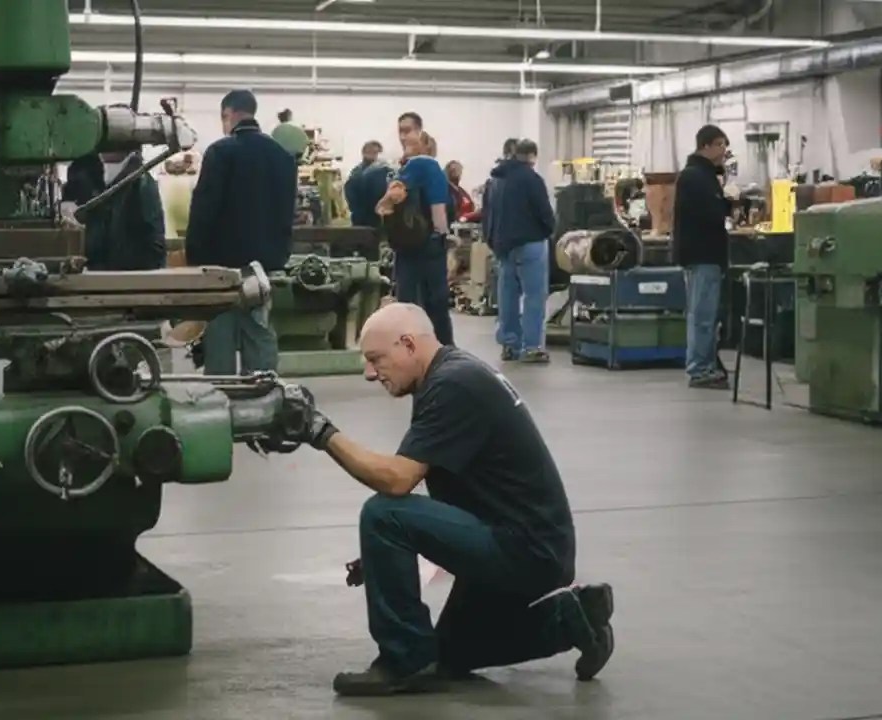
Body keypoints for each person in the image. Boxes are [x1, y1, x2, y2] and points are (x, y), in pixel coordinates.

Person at [291, 302, 615, 696]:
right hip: (528, 543)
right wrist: (383, 554)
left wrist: (321, 432)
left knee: (382, 514)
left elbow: (397, 480)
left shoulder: (453, 385)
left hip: (524, 549)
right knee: (449, 654)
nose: (370, 373)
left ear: (408, 344)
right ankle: (575, 619)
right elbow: (424, 479)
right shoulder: (448, 375)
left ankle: (402, 662)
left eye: (376, 359)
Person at [186, 89, 298, 374]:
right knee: (259, 332)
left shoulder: (220, 152)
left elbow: (204, 211)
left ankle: (221, 394)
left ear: (228, 114)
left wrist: (194, 259)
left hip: (222, 268)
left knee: (220, 336)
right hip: (263, 268)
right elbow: (287, 212)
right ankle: (264, 391)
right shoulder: (283, 157)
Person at [376, 130, 455, 346]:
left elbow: (382, 207)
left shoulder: (400, 172)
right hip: (429, 243)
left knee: (406, 301)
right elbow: (438, 208)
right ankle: (442, 347)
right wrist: (443, 235)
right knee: (436, 301)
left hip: (404, 244)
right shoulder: (430, 166)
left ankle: (407, 345)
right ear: (429, 147)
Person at [482, 139, 555, 363]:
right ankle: (532, 347)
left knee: (507, 296)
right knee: (534, 296)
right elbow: (545, 212)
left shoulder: (495, 180)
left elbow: (487, 214)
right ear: (532, 156)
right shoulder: (532, 179)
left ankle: (509, 344)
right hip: (530, 243)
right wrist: (549, 230)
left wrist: (491, 240)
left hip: (503, 246)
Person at [673, 124, 732, 390]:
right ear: (705, 146)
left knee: (706, 315)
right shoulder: (695, 177)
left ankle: (705, 364)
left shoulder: (703, 175)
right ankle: (699, 368)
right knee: (703, 316)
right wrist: (726, 203)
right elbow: (710, 213)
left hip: (707, 254)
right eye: (719, 145)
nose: (723, 151)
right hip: (702, 254)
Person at [81, 148, 167, 271]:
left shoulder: (140, 183)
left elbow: (155, 247)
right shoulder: (92, 178)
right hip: (98, 276)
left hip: (128, 278)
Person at [345, 140, 389, 229]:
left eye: (376, 153)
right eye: (373, 152)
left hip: (363, 218)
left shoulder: (356, 172)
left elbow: (349, 193)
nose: (375, 156)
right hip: (372, 218)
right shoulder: (380, 172)